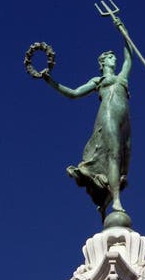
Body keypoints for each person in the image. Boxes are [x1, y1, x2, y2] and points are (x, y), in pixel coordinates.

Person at [42, 26, 132, 221]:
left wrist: (122, 30)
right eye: (110, 57)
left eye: (114, 57)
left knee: (124, 163)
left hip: (125, 121)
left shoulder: (122, 78)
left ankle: (107, 198)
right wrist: (51, 81)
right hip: (107, 116)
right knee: (114, 154)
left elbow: (129, 58)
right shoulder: (98, 81)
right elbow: (74, 94)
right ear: (103, 62)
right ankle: (116, 201)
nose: (114, 59)